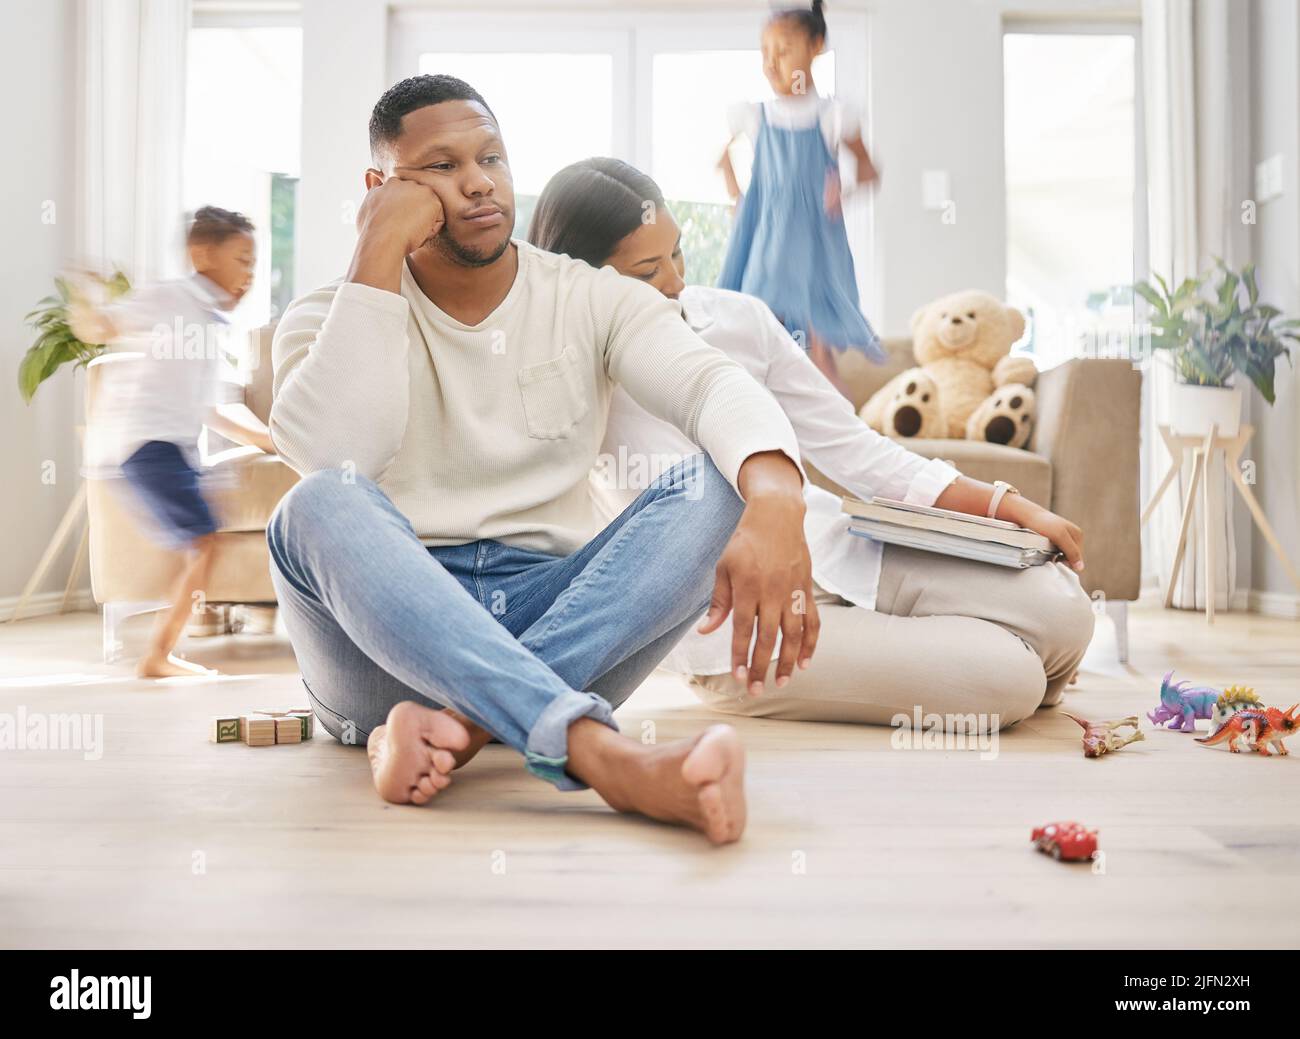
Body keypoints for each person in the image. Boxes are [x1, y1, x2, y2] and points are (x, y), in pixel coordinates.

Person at [265, 75, 819, 845]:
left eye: (491, 157)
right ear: (380, 187)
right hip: (380, 648)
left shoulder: (589, 296)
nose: (479, 182)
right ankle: (599, 755)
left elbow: (709, 383)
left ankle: (459, 725)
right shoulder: (327, 315)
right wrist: (378, 248)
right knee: (315, 503)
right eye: (442, 167)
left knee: (725, 483)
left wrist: (780, 499)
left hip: (560, 618)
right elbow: (337, 454)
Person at [529, 158, 1095, 731]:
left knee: (1067, 611)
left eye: (676, 253)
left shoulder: (737, 319)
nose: (675, 281)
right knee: (1010, 680)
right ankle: (987, 668)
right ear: (583, 281)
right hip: (729, 618)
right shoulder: (567, 373)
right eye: (648, 270)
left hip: (829, 548)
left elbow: (853, 447)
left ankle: (986, 657)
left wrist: (1006, 506)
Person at [71, 206, 275, 679]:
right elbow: (101, 327)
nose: (249, 275)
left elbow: (215, 409)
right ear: (201, 254)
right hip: (144, 445)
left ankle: (161, 651)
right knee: (202, 543)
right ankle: (158, 656)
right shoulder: (169, 299)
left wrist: (269, 441)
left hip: (169, 449)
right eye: (242, 260)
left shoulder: (209, 323)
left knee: (200, 542)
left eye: (254, 264)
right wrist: (85, 294)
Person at [717, 0, 881, 397]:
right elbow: (723, 160)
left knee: (817, 347)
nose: (772, 63)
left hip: (814, 244)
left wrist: (843, 188)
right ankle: (765, 421)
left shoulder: (833, 115)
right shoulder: (756, 115)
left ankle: (840, 430)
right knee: (762, 331)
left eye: (783, 50)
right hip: (766, 241)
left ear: (816, 47)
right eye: (765, 53)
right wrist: (740, 198)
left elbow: (869, 170)